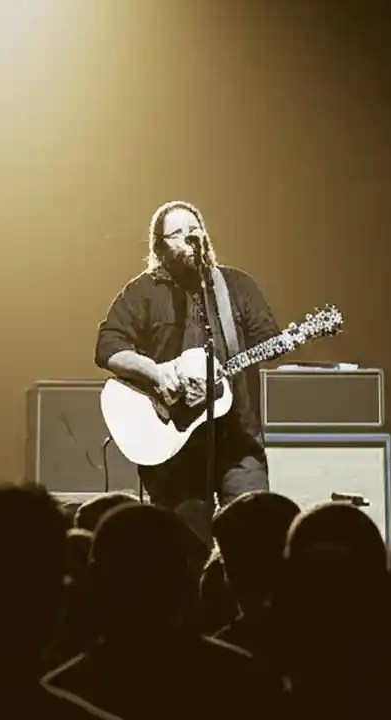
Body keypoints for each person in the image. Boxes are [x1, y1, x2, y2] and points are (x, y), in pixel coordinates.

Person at [95, 200, 280, 544]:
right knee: (185, 543)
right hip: (174, 444)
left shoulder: (236, 287)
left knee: (255, 534)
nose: (190, 237)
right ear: (160, 246)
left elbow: (268, 340)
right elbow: (108, 346)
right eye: (178, 233)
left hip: (235, 440)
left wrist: (289, 341)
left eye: (194, 229)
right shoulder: (144, 292)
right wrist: (157, 374)